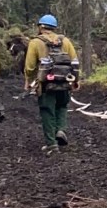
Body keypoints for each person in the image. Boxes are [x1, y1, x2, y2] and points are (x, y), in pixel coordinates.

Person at [23, 15, 80, 154]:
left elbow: (30, 67)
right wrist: (76, 81)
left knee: (47, 111)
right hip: (64, 82)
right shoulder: (65, 41)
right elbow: (74, 62)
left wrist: (28, 82)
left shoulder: (35, 42)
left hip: (45, 84)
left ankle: (51, 145)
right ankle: (60, 130)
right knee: (61, 106)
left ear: (41, 27)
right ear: (54, 27)